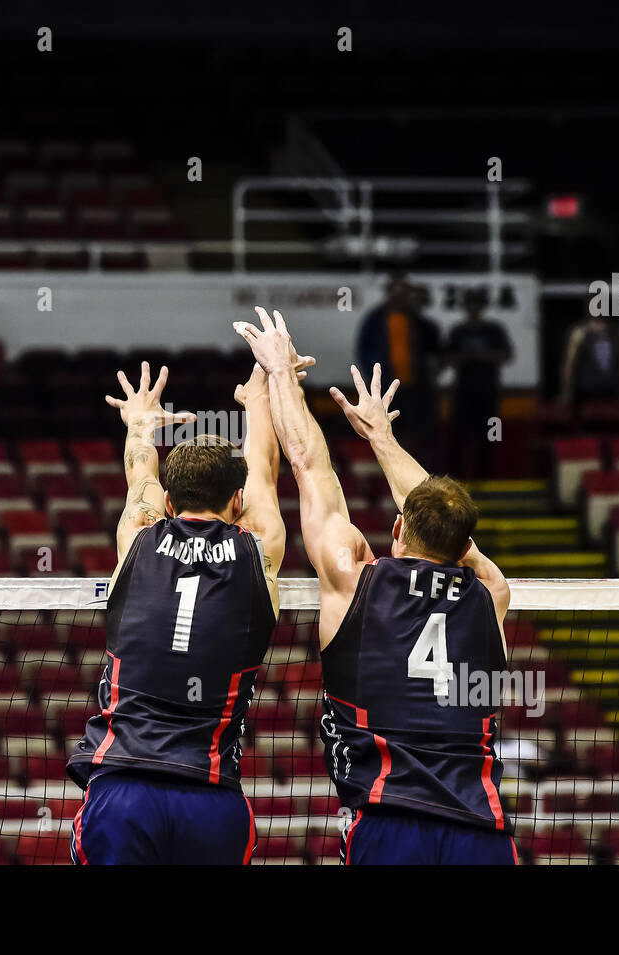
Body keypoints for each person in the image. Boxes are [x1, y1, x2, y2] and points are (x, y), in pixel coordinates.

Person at [236, 307, 516, 865]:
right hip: (480, 831)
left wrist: (280, 376)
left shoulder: (354, 575)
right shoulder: (490, 591)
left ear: (395, 528)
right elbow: (449, 525)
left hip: (389, 825)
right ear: (465, 544)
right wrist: (385, 442)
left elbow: (308, 465)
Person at [66, 354, 309, 864]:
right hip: (210, 794)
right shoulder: (258, 547)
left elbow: (140, 473)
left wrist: (140, 423)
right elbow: (263, 471)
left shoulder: (138, 535)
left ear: (170, 504)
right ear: (237, 502)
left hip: (124, 789)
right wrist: (260, 398)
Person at [357, 275, 443, 471]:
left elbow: (435, 351)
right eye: (395, 293)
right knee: (391, 431)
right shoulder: (376, 319)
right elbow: (364, 350)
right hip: (388, 387)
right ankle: (392, 471)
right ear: (388, 294)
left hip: (418, 386)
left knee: (421, 431)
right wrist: (374, 379)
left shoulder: (419, 321)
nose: (399, 297)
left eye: (403, 293)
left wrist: (431, 373)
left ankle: (421, 472)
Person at [445, 289, 513, 478]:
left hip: (488, 392)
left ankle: (486, 478)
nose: (474, 307)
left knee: (489, 437)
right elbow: (447, 357)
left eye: (477, 303)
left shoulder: (494, 330)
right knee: (459, 437)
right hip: (463, 392)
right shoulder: (458, 331)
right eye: (471, 303)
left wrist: (482, 356)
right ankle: (456, 480)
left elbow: (507, 354)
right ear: (466, 307)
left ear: (483, 307)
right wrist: (468, 357)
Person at [559, 310, 619, 412]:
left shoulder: (617, 331)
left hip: (612, 390)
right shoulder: (580, 332)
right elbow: (569, 364)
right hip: (586, 392)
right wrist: (567, 391)